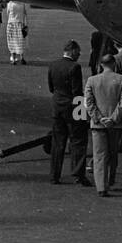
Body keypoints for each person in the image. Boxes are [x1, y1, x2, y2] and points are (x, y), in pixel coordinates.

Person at [85, 53, 122, 196]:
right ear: (114, 64)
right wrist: (113, 118)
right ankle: (110, 180)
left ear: (101, 65)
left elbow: (89, 103)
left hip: (98, 125)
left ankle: (101, 187)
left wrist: (99, 118)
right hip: (115, 125)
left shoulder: (92, 80)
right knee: (113, 153)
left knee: (99, 155)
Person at [47, 40, 90, 186]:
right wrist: (82, 113)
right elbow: (77, 92)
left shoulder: (53, 65)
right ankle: (78, 174)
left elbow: (51, 88)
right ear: (72, 51)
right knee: (78, 140)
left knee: (58, 142)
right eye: (78, 52)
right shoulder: (75, 67)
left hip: (57, 106)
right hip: (73, 107)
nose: (79, 55)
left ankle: (54, 176)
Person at [4, 0, 29, 65]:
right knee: (20, 42)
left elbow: (8, 14)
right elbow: (25, 14)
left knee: (12, 41)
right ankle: (22, 58)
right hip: (20, 23)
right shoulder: (23, 3)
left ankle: (13, 58)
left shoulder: (10, 4)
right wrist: (25, 25)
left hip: (11, 24)